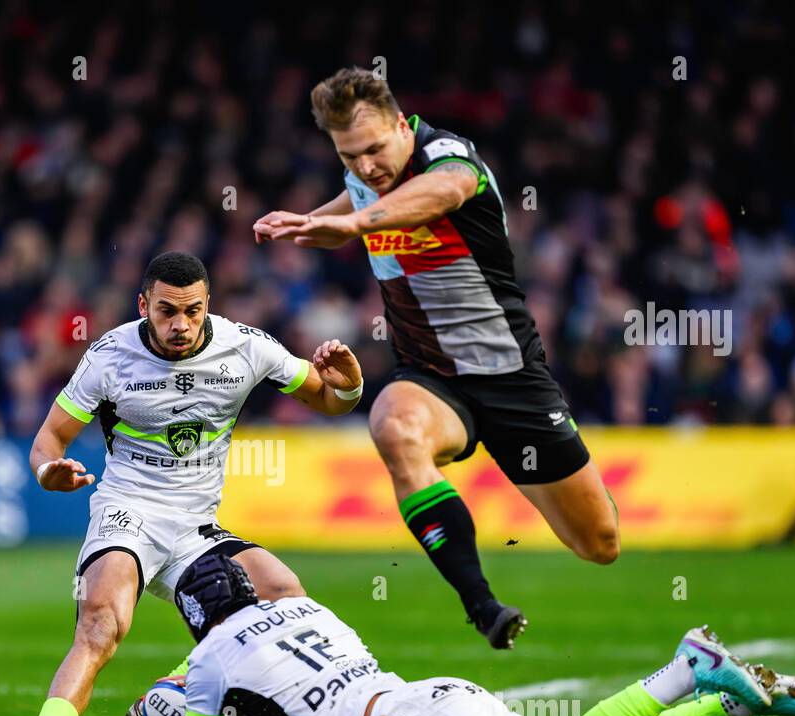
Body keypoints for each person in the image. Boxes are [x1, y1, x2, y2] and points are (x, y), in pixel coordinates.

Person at [254, 67, 620, 650]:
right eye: (351, 157)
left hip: (510, 376)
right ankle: (483, 607)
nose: (367, 166)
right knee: (393, 427)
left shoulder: (445, 155)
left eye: (375, 149)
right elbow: (344, 212)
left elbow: (444, 192)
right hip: (430, 378)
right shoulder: (362, 182)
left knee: (598, 543)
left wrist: (350, 222)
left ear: (402, 125)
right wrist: (307, 225)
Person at [5, 251, 364, 716]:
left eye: (193, 311)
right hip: (127, 513)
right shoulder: (109, 356)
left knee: (286, 595)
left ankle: (176, 688)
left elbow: (331, 401)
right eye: (167, 311)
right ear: (143, 304)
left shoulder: (247, 347)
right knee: (103, 623)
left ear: (208, 305)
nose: (181, 325)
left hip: (197, 525)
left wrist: (352, 385)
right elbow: (47, 441)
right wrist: (47, 472)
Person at [128, 555, 795, 716]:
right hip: (423, 703)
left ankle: (688, 669)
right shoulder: (302, 608)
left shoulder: (212, 658)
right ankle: (731, 705)